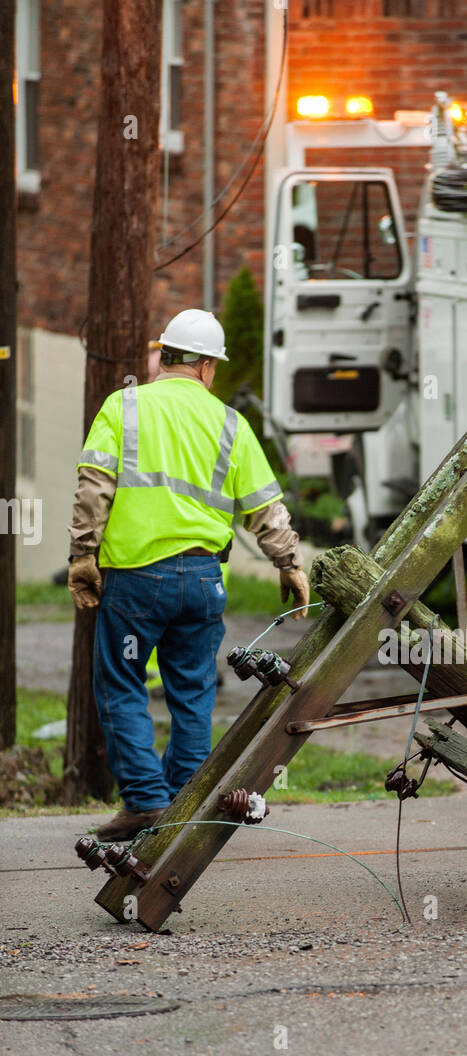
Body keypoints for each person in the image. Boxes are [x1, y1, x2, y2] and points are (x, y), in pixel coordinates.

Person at [67, 308, 311, 841]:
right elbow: (265, 508)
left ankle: (147, 804)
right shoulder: (230, 424)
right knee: (193, 692)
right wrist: (289, 563)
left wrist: (83, 555)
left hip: (136, 581)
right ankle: (182, 803)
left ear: (169, 357)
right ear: (205, 366)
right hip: (202, 583)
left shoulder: (123, 407)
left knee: (123, 683)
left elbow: (93, 486)